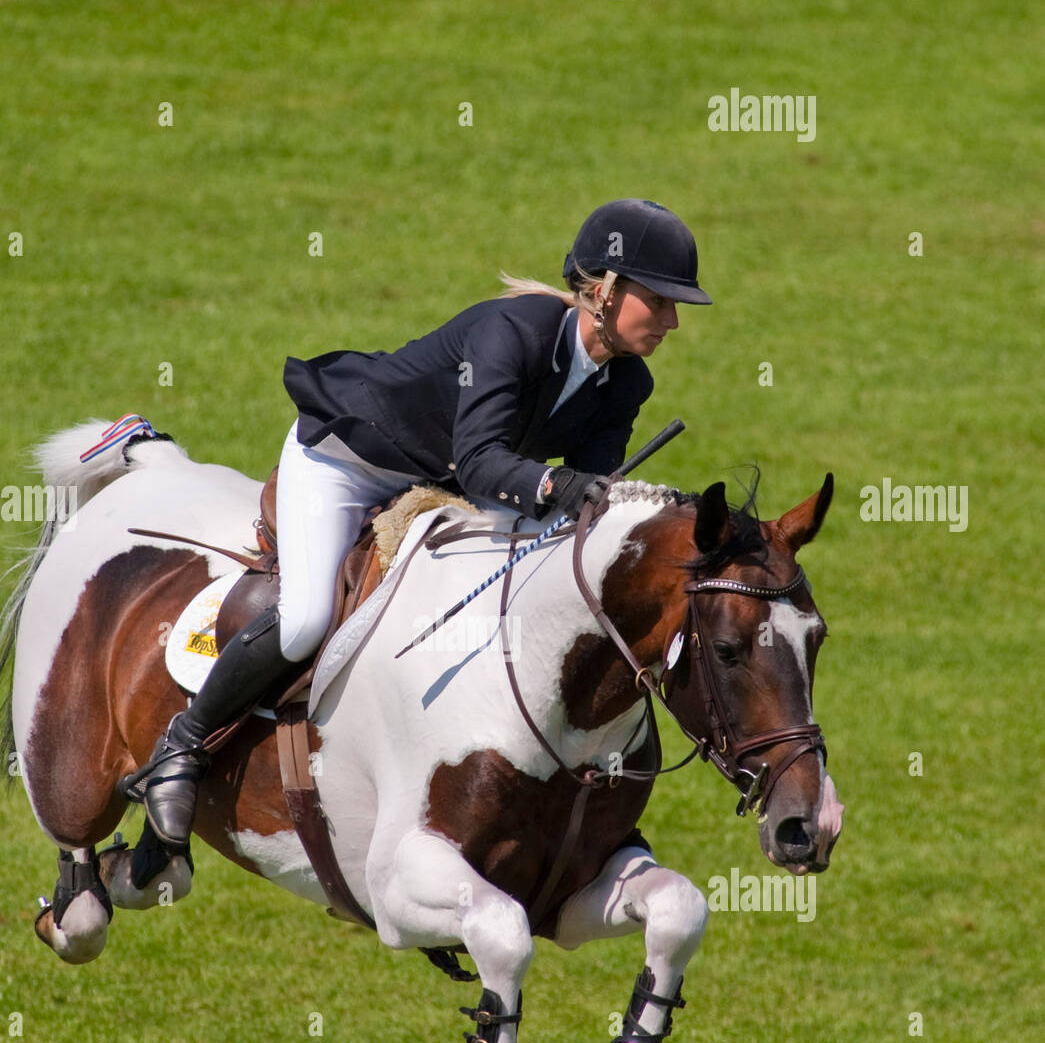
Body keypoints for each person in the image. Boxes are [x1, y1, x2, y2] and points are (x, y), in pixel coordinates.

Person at [141, 198, 711, 846]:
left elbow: (579, 506)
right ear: (605, 290)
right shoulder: (514, 331)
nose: (670, 321)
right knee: (305, 619)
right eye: (659, 301)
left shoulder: (625, 383)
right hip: (349, 461)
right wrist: (557, 484)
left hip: (447, 484)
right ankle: (181, 748)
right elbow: (480, 461)